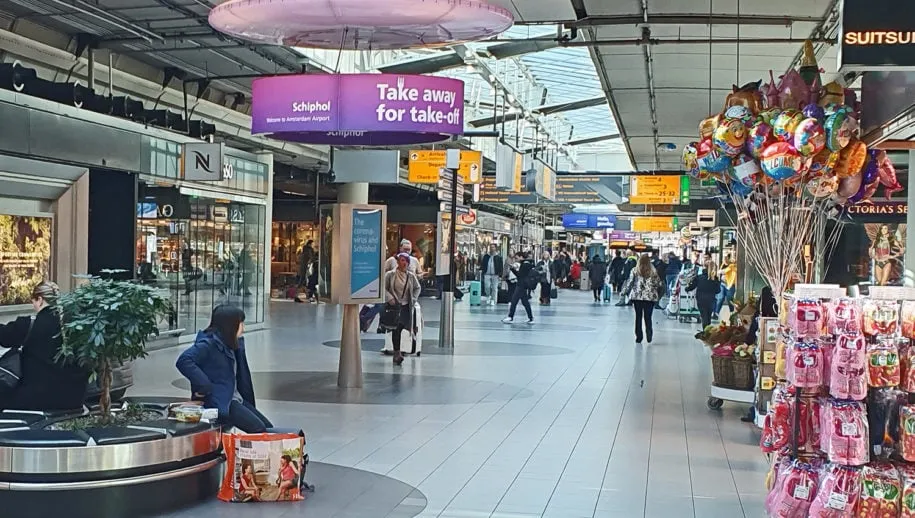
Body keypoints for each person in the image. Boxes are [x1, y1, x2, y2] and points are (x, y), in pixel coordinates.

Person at [176, 305, 274, 432]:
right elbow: (184, 360)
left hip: (235, 398)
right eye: (241, 323)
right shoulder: (208, 344)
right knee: (258, 428)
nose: (243, 327)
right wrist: (204, 385)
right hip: (222, 401)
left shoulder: (231, 344)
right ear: (230, 326)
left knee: (268, 428)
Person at [0, 282, 90, 411]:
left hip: (36, 398)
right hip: (74, 398)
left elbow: (4, 336)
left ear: (40, 300)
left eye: (34, 302)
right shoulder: (77, 326)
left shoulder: (28, 324)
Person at [383, 253, 422, 366]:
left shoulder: (411, 276)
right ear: (398, 262)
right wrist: (390, 298)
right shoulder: (390, 275)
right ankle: (397, 353)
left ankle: (399, 351)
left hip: (406, 307)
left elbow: (417, 288)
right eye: (402, 260)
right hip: (394, 307)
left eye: (406, 261)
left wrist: (413, 299)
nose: (404, 263)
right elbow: (384, 288)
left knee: (403, 327)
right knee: (396, 328)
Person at [623, 255, 662, 344]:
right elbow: (658, 283)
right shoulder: (653, 271)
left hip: (637, 297)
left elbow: (630, 282)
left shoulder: (635, 270)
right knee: (648, 317)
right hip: (650, 297)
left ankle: (639, 337)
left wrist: (624, 291)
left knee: (638, 317)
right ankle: (649, 334)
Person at [687, 260, 723, 329]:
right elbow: (718, 291)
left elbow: (692, 286)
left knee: (704, 317)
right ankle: (707, 332)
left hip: (701, 299)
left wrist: (687, 289)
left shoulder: (699, 277)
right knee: (708, 317)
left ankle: (705, 332)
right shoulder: (715, 279)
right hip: (711, 300)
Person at [502, 252, 535, 324]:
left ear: (521, 257)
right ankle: (531, 318)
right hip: (524, 285)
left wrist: (513, 269)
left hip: (521, 285)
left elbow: (519, 275)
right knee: (525, 302)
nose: (516, 259)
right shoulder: (528, 264)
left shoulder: (524, 264)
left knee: (514, 301)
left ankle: (510, 317)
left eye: (517, 258)